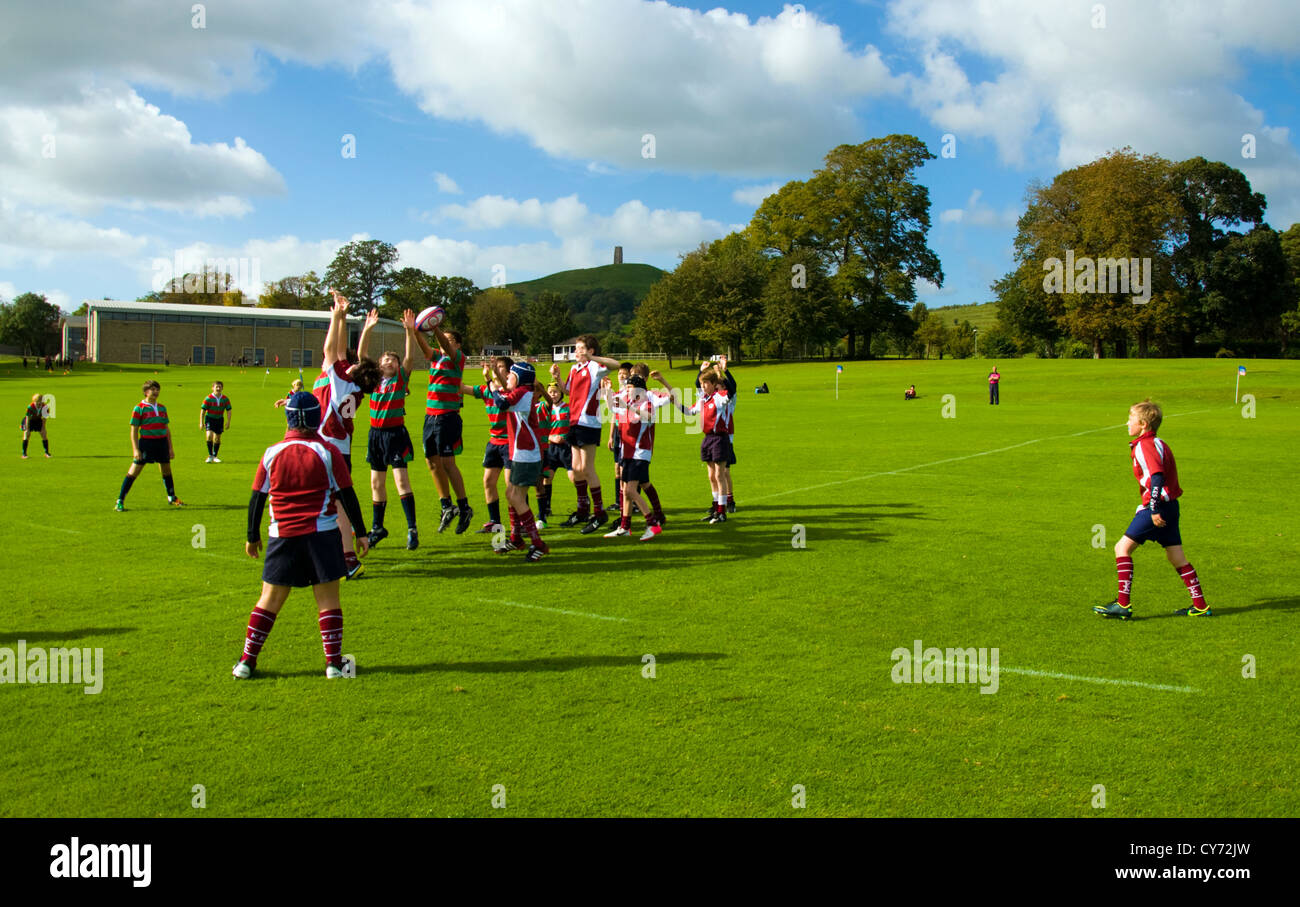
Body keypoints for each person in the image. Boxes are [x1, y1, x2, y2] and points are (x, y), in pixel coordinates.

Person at [233, 392, 370, 680]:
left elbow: (257, 498)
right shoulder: (328, 452)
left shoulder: (272, 453)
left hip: (282, 535)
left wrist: (251, 535)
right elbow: (347, 495)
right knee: (328, 598)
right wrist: (361, 532)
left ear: (289, 418)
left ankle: (246, 662)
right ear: (317, 417)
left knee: (269, 599)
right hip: (322, 534)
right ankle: (333, 665)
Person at [1094, 400, 1211, 620]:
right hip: (1171, 507)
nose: (1127, 422)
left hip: (1158, 508)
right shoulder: (1158, 443)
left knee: (1122, 548)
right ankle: (1201, 606)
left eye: (1131, 418)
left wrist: (1154, 509)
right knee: (1177, 557)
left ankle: (1123, 605)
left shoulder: (1144, 445)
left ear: (1144, 424)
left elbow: (1157, 477)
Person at [313, 294, 382, 578]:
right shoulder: (353, 386)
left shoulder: (341, 380)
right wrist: (347, 318)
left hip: (323, 448)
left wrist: (336, 317)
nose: (350, 361)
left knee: (321, 502)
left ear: (353, 372)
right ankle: (347, 556)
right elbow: (345, 353)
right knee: (337, 502)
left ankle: (331, 553)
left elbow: (331, 349)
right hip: (342, 450)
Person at [549, 335, 622, 533]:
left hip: (588, 423)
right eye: (576, 348)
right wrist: (557, 379)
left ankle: (599, 513)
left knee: (588, 469)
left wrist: (594, 358)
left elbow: (616, 364)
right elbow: (568, 391)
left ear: (590, 351)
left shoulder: (594, 367)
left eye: (581, 348)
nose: (576, 351)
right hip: (573, 421)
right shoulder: (575, 369)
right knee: (576, 468)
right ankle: (583, 510)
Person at [410, 317, 474, 534]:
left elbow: (444, 345)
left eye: (448, 340)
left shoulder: (458, 358)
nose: (442, 343)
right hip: (431, 416)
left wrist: (434, 327)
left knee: (447, 462)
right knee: (431, 462)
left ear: (457, 344)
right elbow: (426, 350)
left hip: (447, 416)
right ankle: (447, 506)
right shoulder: (436, 357)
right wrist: (415, 331)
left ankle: (464, 507)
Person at [365, 309, 422, 551]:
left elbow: (409, 358)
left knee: (400, 480)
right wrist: (367, 328)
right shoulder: (374, 380)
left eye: (393, 360)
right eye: (386, 359)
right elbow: (361, 355)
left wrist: (410, 331)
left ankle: (412, 529)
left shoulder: (400, 380)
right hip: (375, 435)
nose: (389, 361)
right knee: (376, 484)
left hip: (395, 434)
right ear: (379, 365)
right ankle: (378, 528)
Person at [488, 362, 550, 562]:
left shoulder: (524, 392)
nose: (508, 378)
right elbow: (506, 394)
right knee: (510, 494)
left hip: (527, 454)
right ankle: (516, 539)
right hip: (520, 452)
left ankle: (537, 543)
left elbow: (502, 403)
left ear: (520, 378)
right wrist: (496, 380)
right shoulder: (522, 391)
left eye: (511, 375)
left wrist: (492, 386)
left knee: (516, 497)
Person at [655, 366, 733, 524]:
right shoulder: (703, 400)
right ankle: (715, 507)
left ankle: (722, 511)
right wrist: (674, 403)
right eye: (701, 383)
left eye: (705, 383)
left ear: (712, 383)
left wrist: (723, 371)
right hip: (707, 439)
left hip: (720, 438)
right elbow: (689, 412)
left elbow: (731, 390)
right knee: (711, 476)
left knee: (719, 475)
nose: (702, 386)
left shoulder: (719, 397)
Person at [602, 374, 670, 540]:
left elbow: (648, 417)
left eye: (630, 387)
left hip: (639, 453)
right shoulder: (628, 402)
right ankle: (625, 527)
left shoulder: (646, 403)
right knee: (626, 491)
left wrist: (628, 407)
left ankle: (652, 523)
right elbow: (612, 406)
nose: (627, 389)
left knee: (630, 490)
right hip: (628, 453)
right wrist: (607, 390)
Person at [116, 379, 183, 510]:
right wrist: (136, 449)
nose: (156, 392)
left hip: (162, 442)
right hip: (147, 443)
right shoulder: (139, 408)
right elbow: (134, 429)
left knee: (166, 469)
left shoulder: (162, 407)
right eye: (153, 389)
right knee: (134, 471)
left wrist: (170, 447)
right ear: (146, 392)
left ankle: (172, 497)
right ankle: (120, 500)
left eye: (157, 389)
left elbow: (166, 427)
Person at [464, 356, 513, 534]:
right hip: (493, 442)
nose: (496, 369)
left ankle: (519, 523)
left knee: (511, 486)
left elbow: (502, 391)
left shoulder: (511, 390)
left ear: (509, 372)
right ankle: (495, 522)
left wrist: (490, 378)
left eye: (500, 367)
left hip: (509, 443)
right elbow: (462, 388)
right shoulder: (487, 390)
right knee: (488, 481)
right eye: (495, 366)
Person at [697, 356, 738, 513]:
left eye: (721, 386)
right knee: (715, 474)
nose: (720, 389)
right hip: (713, 438)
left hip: (727, 438)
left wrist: (723, 371)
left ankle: (730, 500)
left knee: (724, 471)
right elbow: (699, 386)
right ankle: (718, 503)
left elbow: (732, 387)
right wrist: (702, 372)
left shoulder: (728, 398)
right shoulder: (709, 398)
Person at [537, 382, 571, 528]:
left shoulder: (568, 408)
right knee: (547, 478)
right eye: (550, 392)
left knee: (575, 477)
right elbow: (543, 429)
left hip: (566, 448)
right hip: (551, 448)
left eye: (555, 392)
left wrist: (566, 437)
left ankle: (584, 505)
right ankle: (547, 507)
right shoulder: (544, 409)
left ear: (561, 393)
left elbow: (574, 424)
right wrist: (551, 437)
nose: (553, 394)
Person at [201, 380, 233, 462]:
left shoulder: (225, 399)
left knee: (217, 438)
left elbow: (228, 410)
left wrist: (228, 421)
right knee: (209, 436)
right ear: (212, 388)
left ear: (222, 388)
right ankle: (210, 455)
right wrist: (201, 422)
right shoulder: (208, 398)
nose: (218, 388)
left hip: (219, 420)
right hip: (210, 419)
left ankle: (215, 456)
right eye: (216, 387)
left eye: (220, 387)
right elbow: (203, 410)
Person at [21, 393, 50, 458]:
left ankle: (47, 453)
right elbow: (28, 418)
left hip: (38, 420)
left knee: (44, 434)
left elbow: (44, 418)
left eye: (41, 402)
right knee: (26, 434)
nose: (39, 404)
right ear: (34, 401)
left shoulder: (45, 407)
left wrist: (43, 428)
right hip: (29, 421)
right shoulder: (30, 407)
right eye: (37, 402)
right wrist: (27, 428)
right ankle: (24, 454)